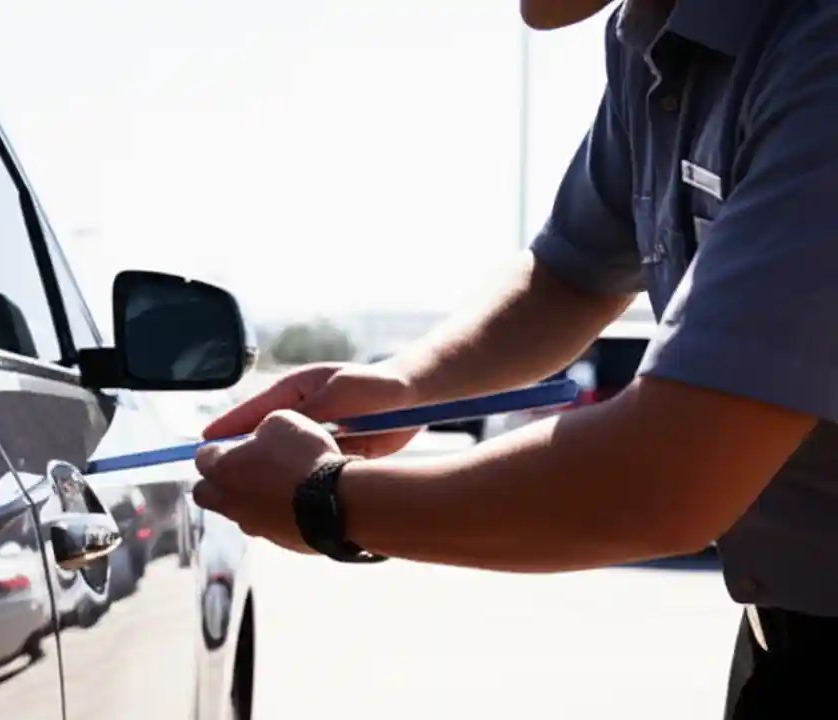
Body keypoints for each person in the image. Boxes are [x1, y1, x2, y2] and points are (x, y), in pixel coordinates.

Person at [191, 0, 838, 717]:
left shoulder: (820, 50)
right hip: (783, 644)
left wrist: (327, 501)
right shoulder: (651, 38)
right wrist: (403, 383)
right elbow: (570, 274)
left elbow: (668, 479)